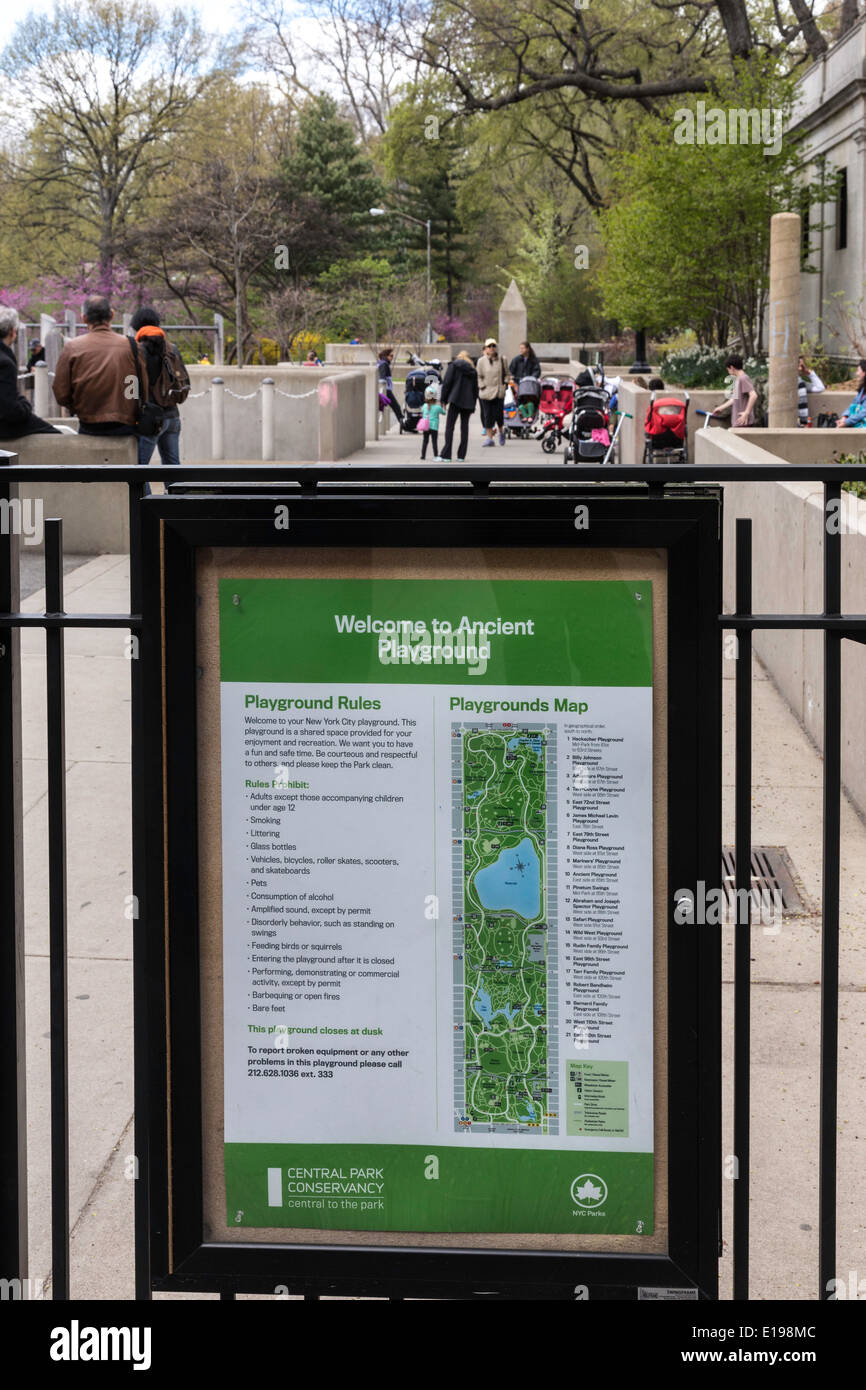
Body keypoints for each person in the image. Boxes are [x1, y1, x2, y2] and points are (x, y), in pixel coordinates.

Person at [53, 294, 140, 436]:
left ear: (84, 318)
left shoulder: (73, 347)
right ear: (112, 315)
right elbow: (143, 384)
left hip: (89, 422)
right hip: (126, 422)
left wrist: (76, 407)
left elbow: (61, 392)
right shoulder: (131, 345)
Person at [130, 305, 190, 467]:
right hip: (172, 417)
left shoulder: (136, 350)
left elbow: (132, 387)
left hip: (149, 419)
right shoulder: (172, 349)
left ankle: (144, 495)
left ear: (136, 326)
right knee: (172, 466)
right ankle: (177, 493)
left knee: (139, 469)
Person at [0, 305, 60, 438]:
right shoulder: (5, 363)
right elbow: (11, 411)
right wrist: (26, 405)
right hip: (5, 427)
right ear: (12, 332)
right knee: (55, 435)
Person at [436, 350, 478, 461]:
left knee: (450, 427)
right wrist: (473, 405)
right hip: (468, 402)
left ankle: (447, 454)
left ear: (459, 357)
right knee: (464, 428)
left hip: (455, 400)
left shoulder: (454, 366)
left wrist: (443, 400)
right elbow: (475, 389)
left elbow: (447, 383)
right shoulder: (473, 370)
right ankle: (461, 456)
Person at [711, 353, 757, 428]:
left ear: (732, 367)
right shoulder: (738, 379)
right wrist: (721, 408)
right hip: (738, 422)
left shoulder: (743, 378)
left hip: (743, 422)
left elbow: (753, 395)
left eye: (728, 369)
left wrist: (746, 413)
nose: (728, 372)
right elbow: (734, 399)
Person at [476, 337, 507, 446]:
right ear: (486, 348)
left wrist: (505, 384)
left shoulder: (502, 359)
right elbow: (478, 376)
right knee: (487, 415)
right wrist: (482, 386)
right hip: (486, 392)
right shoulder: (481, 361)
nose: (492, 348)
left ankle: (501, 432)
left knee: (499, 415)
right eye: (489, 346)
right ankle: (490, 438)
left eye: (494, 346)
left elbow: (507, 374)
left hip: (498, 392)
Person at [377, 347, 404, 431]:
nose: (392, 358)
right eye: (391, 356)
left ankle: (403, 423)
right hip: (386, 390)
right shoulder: (384, 364)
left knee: (390, 408)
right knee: (396, 407)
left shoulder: (382, 363)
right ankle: (403, 424)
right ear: (386, 356)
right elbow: (382, 378)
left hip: (385, 390)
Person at [836, 359, 866, 428]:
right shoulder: (862, 389)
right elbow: (853, 405)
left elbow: (863, 412)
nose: (856, 373)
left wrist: (846, 422)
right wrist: (844, 417)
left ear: (864, 372)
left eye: (858, 370)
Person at [797, 356, 825, 425]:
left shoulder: (801, 383)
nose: (801, 369)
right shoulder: (797, 382)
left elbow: (820, 387)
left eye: (802, 366)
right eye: (798, 365)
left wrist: (808, 372)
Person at [419, 384, 444, 459]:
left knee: (425, 441)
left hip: (426, 427)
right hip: (434, 427)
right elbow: (444, 413)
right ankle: (435, 455)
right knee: (434, 442)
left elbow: (422, 412)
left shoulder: (424, 406)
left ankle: (423, 456)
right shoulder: (437, 407)